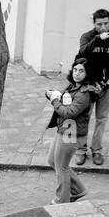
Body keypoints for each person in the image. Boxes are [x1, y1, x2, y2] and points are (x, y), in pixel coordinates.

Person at [74, 8, 109, 167]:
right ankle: (80, 150)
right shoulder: (87, 37)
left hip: (106, 87)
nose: (103, 27)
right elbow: (83, 52)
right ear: (94, 23)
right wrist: (97, 38)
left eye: (106, 23)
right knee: (84, 118)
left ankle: (96, 150)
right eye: (99, 24)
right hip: (88, 86)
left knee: (101, 119)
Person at [44, 57, 97, 203]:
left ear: (87, 74)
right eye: (75, 70)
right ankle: (78, 190)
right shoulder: (73, 86)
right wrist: (54, 94)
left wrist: (55, 100)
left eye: (81, 71)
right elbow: (65, 102)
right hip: (65, 129)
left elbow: (69, 113)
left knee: (62, 166)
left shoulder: (85, 93)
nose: (77, 73)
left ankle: (61, 201)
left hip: (71, 134)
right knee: (52, 161)